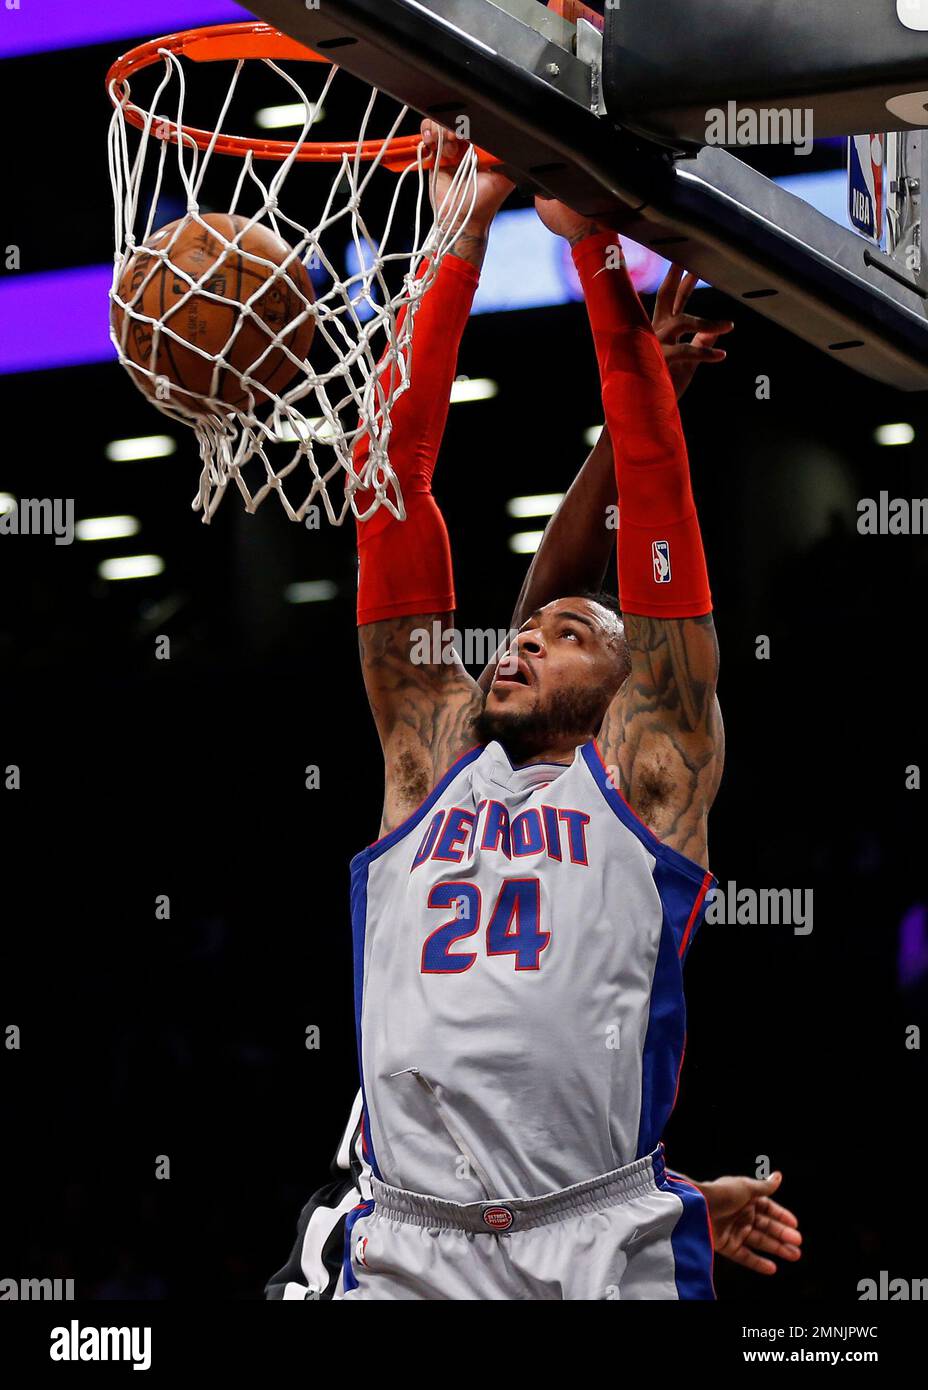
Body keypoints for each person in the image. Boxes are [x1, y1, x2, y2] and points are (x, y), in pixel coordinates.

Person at [269, 123, 801, 1300]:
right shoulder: (432, 758)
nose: (523, 635)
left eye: (569, 636)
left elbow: (663, 526)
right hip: (403, 1236)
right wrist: (467, 217)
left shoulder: (650, 776)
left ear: (627, 693)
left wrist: (599, 269)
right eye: (525, 630)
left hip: (593, 1237)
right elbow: (389, 482)